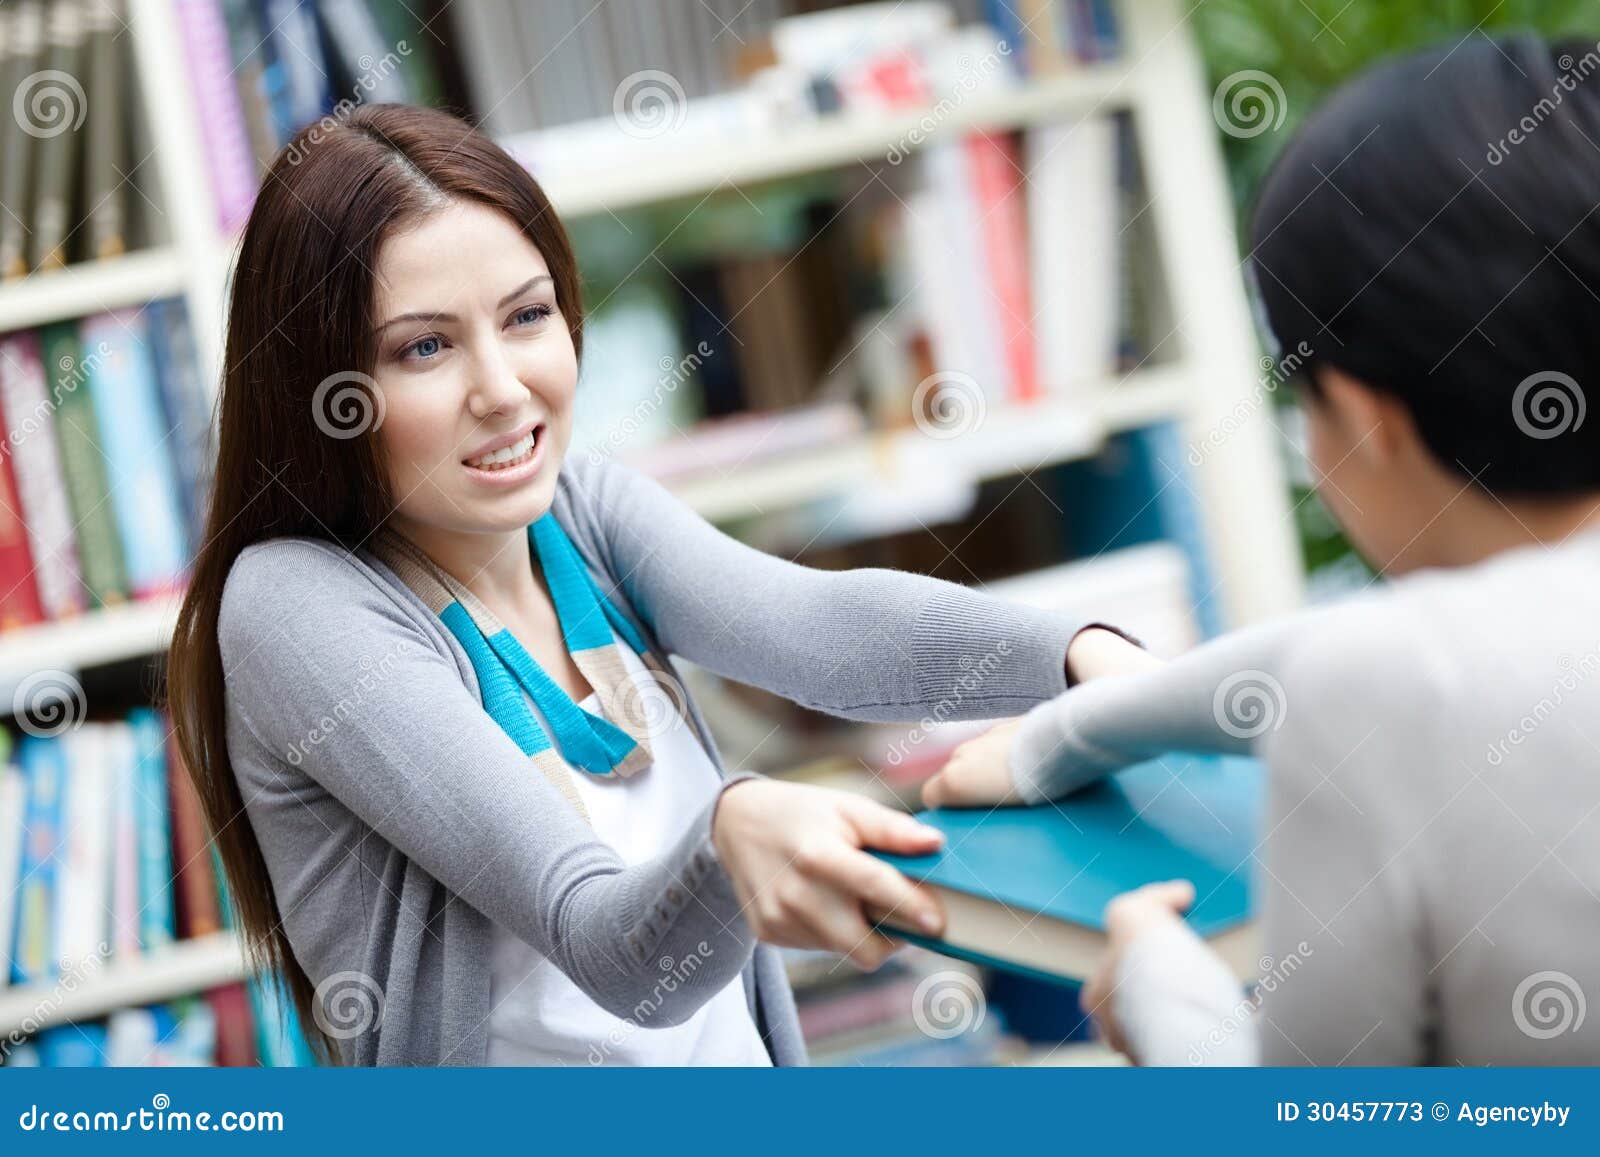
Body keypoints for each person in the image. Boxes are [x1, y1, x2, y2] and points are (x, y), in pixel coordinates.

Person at [165, 103, 1150, 1066]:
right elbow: (610, 948)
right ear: (321, 388)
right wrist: (733, 835)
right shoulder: (291, 605)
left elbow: (818, 631)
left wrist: (1091, 661)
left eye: (527, 315)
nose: (503, 387)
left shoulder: (583, 511)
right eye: (424, 346)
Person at [921, 34, 1600, 1065]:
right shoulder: (1418, 669)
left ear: (1366, 419)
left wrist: (1162, 993)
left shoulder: (1389, 690)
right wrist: (1063, 733)